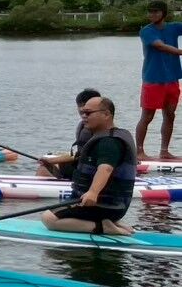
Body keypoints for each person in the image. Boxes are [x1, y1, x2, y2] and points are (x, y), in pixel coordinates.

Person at [43, 96, 137, 237]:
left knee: (48, 218)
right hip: (110, 205)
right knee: (57, 210)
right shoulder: (102, 137)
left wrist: (93, 192)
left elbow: (105, 169)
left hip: (104, 205)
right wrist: (53, 165)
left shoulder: (109, 142)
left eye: (88, 113)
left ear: (106, 114)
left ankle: (103, 227)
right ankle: (112, 222)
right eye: (82, 113)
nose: (84, 116)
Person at [137, 0, 182, 160]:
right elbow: (161, 46)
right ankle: (139, 151)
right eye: (150, 12)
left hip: (172, 80)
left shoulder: (174, 27)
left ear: (164, 13)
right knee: (147, 116)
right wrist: (180, 51)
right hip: (153, 80)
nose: (152, 15)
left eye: (156, 12)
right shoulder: (146, 31)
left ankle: (164, 151)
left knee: (170, 115)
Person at [37, 89, 101, 179]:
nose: (83, 113)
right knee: (47, 165)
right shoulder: (82, 125)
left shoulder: (94, 129)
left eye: (87, 110)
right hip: (82, 168)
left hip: (90, 175)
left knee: (43, 169)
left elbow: (81, 155)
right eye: (80, 107)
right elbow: (80, 154)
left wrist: (52, 160)